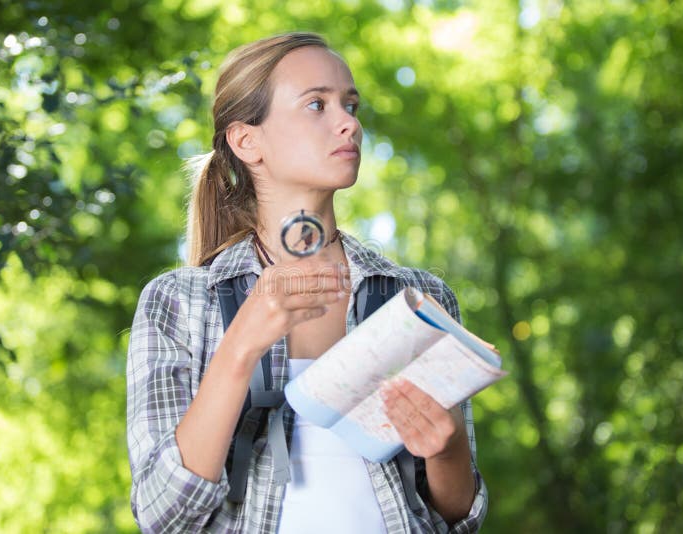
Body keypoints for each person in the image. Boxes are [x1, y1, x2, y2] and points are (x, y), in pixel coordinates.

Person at [126, 32, 488, 533]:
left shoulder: (417, 301)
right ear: (246, 141)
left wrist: (446, 448)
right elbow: (161, 514)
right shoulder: (180, 302)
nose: (349, 123)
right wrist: (239, 349)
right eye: (316, 104)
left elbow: (457, 517)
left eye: (351, 104)